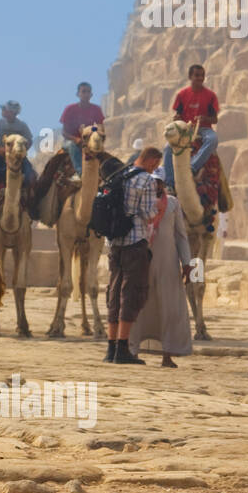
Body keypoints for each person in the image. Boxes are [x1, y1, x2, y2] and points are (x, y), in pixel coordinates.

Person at [104, 147, 167, 365]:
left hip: (114, 243)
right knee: (131, 292)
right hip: (134, 241)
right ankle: (122, 348)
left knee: (113, 291)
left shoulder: (119, 175)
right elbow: (148, 214)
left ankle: (110, 348)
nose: (156, 169)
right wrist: (158, 208)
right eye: (155, 164)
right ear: (150, 160)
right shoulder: (147, 181)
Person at [127, 169, 194, 368]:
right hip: (142, 259)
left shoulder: (173, 203)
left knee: (169, 306)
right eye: (153, 182)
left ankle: (167, 354)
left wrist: (187, 263)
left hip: (168, 262)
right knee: (138, 303)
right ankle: (132, 350)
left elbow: (181, 236)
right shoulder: (140, 201)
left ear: (164, 184)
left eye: (159, 183)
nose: (156, 186)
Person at [163, 64, 220, 188]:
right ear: (190, 76)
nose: (200, 78)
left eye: (202, 76)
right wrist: (177, 119)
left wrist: (205, 118)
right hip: (185, 129)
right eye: (197, 75)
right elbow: (178, 115)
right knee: (168, 147)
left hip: (204, 128)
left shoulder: (210, 96)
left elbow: (214, 119)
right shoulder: (182, 95)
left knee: (213, 139)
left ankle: (193, 166)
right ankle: (170, 182)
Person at [59, 83, 105, 175]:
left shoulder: (96, 109)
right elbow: (64, 132)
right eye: (83, 91)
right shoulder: (70, 109)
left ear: (91, 94)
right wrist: (76, 139)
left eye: (88, 92)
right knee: (72, 146)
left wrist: (96, 134)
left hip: (89, 141)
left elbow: (100, 128)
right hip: (71, 141)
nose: (86, 94)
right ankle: (80, 172)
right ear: (78, 94)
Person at [0, 101, 35, 185]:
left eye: (5, 110)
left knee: (29, 172)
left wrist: (22, 152)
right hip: (2, 154)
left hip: (17, 155)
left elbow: (29, 141)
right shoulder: (0, 122)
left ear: (13, 112)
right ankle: (6, 179)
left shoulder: (22, 125)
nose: (3, 111)